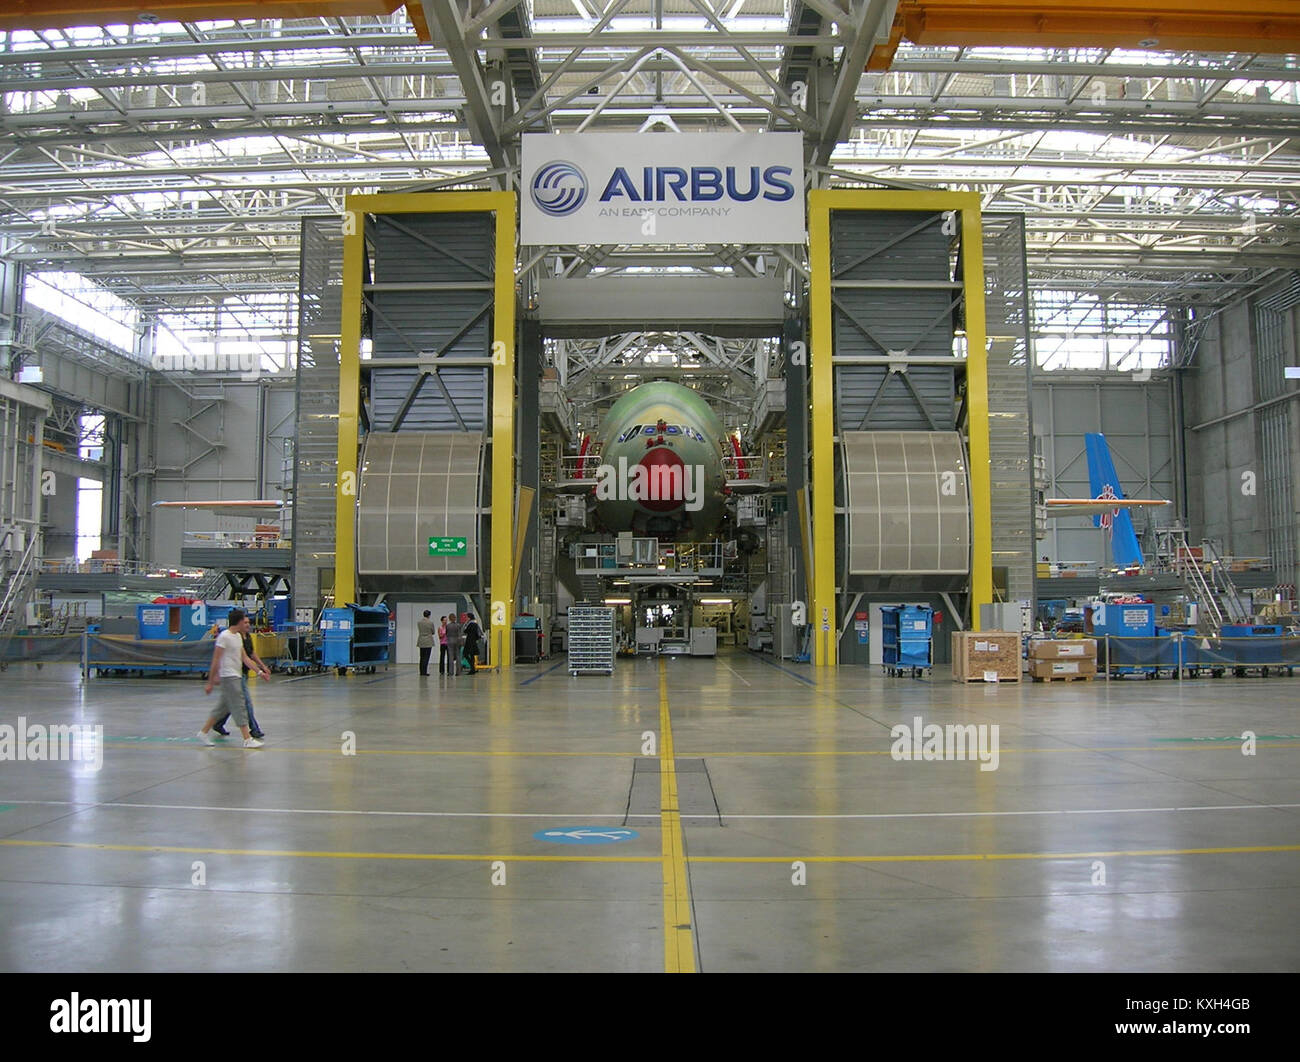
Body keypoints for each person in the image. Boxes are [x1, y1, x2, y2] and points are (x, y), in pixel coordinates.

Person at [197, 609, 268, 749]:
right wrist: (210, 682)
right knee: (239, 706)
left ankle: (203, 732)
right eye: (245, 621)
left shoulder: (238, 637)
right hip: (229, 677)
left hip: (237, 674)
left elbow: (245, 658)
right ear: (239, 621)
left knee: (221, 708)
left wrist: (260, 672)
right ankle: (247, 738)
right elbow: (216, 659)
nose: (247, 624)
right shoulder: (224, 637)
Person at [212, 622, 269, 739]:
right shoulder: (232, 637)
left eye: (248, 623)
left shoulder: (247, 637)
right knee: (246, 702)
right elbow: (219, 656)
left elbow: (251, 654)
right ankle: (254, 729)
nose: (248, 625)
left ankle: (218, 723)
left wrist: (262, 667)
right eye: (245, 623)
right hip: (235, 674)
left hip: (243, 673)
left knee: (229, 702)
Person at [416, 609, 436, 676]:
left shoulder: (419, 622)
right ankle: (425, 672)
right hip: (428, 640)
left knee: (421, 656)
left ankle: (421, 671)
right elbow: (433, 632)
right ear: (429, 615)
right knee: (426, 657)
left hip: (421, 639)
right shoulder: (430, 622)